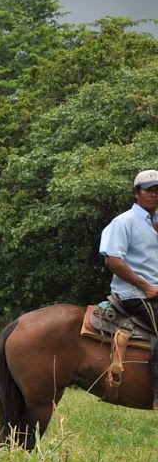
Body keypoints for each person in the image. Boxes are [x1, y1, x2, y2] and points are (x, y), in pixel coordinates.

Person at [100, 168, 158, 407]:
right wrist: (147, 287)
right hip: (136, 294)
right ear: (136, 193)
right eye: (149, 190)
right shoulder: (124, 222)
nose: (154, 194)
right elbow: (112, 259)